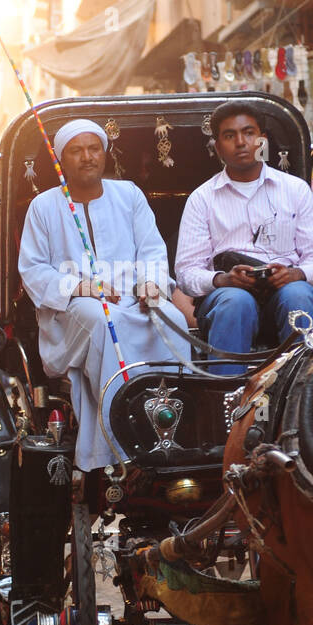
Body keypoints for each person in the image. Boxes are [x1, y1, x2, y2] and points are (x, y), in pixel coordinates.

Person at [18, 118, 188, 471]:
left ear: (104, 154)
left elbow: (152, 250)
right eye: (76, 151)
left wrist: (151, 283)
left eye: (94, 148)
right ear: (61, 159)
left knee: (172, 318)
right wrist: (80, 287)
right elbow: (33, 270)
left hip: (133, 299)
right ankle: (120, 439)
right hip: (71, 313)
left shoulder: (129, 195)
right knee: (100, 318)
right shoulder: (44, 206)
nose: (87, 157)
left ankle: (172, 429)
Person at [175, 100, 313, 375]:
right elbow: (186, 273)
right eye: (229, 135)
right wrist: (223, 279)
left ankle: (305, 394)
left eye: (249, 133)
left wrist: (295, 274)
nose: (241, 142)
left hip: (286, 292)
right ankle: (226, 400)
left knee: (298, 296)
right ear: (217, 146)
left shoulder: (294, 190)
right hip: (227, 297)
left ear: (262, 139)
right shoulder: (202, 199)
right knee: (236, 302)